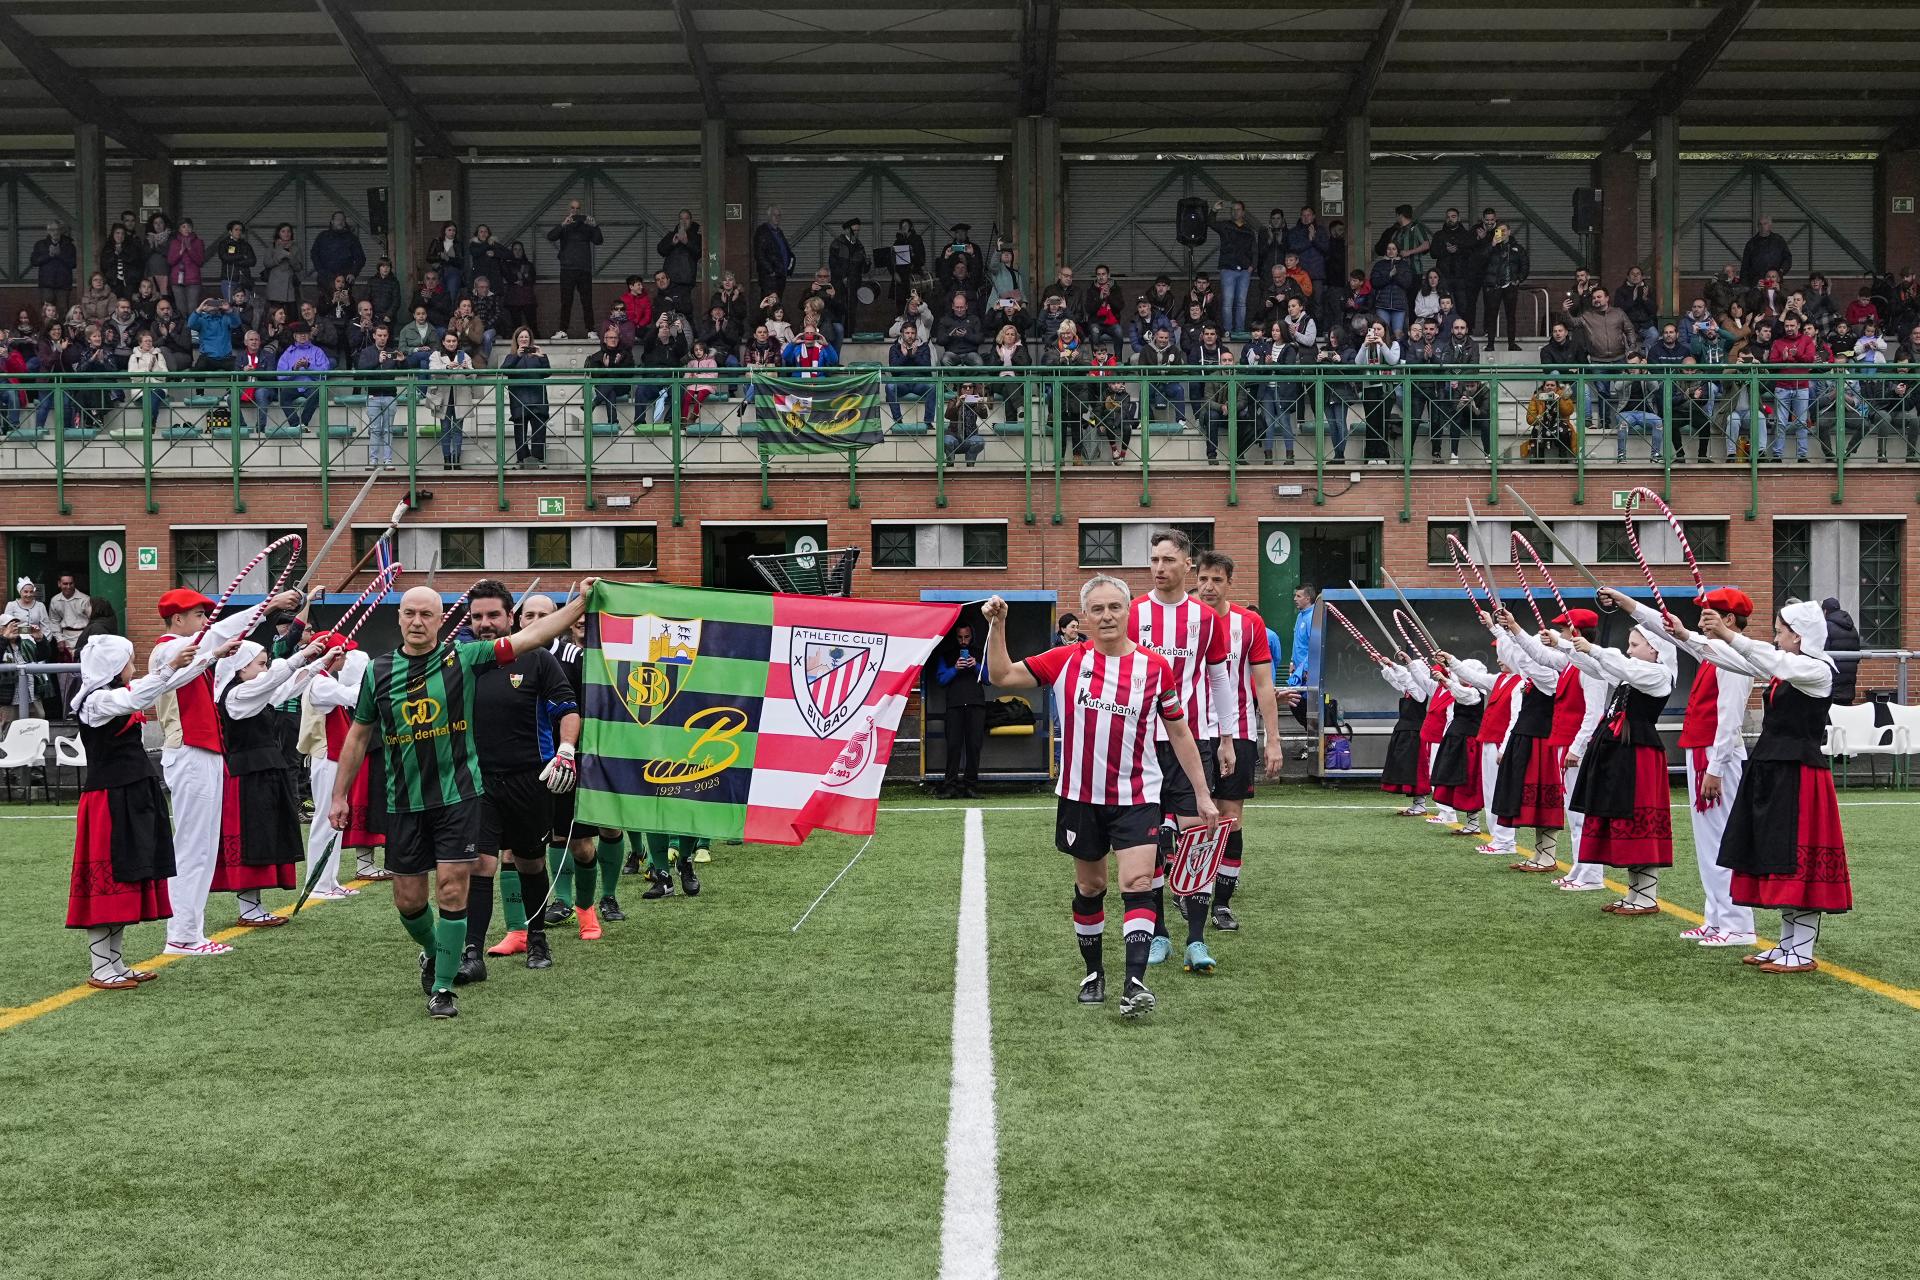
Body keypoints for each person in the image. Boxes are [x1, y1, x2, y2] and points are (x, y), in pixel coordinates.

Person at [326, 583, 596, 1019]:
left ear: (440, 621)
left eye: (426, 615)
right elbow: (358, 735)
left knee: (454, 887)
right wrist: (339, 795)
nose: (417, 621)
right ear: (399, 618)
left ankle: (444, 986)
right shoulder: (378, 671)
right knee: (409, 902)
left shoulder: (463, 659)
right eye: (409, 613)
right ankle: (436, 951)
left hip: (459, 798)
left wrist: (582, 602)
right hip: (404, 803)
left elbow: (531, 637)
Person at [982, 581, 1219, 1019]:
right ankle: (1094, 973)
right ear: (1084, 616)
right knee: (1092, 886)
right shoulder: (1064, 661)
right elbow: (1001, 676)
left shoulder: (1155, 668)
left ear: (1129, 610)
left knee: (1137, 883)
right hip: (1080, 796)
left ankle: (1135, 983)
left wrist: (1203, 794)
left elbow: (1180, 732)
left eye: (1114, 606)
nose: (1107, 615)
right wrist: (998, 626)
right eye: (1097, 609)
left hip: (1138, 796)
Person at [66, 633, 233, 990]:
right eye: (128, 661)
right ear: (112, 666)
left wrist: (209, 656)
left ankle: (116, 962)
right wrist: (171, 664)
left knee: (129, 875)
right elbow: (140, 694)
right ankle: (100, 966)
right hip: (109, 799)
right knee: (109, 879)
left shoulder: (116, 695)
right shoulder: (96, 702)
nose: (133, 667)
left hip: (132, 795)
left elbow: (161, 684)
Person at [1697, 600, 1854, 972]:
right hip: (1774, 769)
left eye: (1781, 630)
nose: (1775, 636)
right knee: (1779, 856)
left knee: (1797, 857)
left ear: (1799, 635)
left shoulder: (1816, 669)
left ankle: (1801, 950)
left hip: (1799, 773)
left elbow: (1771, 659)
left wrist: (1728, 633)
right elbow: (1735, 658)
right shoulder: (1788, 666)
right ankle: (1788, 944)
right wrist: (1681, 632)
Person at [454, 581, 582, 984]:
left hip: (531, 778)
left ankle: (537, 936)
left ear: (511, 617)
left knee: (529, 861)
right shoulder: (460, 661)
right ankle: (472, 951)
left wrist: (565, 749)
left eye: (493, 615)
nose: (485, 623)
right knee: (480, 862)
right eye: (477, 617)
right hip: (478, 781)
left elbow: (568, 709)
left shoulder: (538, 659)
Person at [1126, 529, 1240, 974]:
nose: (1159, 567)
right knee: (1148, 840)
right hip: (1140, 743)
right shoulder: (1134, 612)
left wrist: (1227, 737)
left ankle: (1196, 940)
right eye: (1153, 559)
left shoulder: (1205, 618)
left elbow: (1218, 680)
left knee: (1197, 836)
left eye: (1168, 560)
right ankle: (1158, 934)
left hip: (1192, 743)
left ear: (1187, 566)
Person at [1193, 551, 1293, 930]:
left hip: (1239, 733)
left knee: (1230, 817)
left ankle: (1221, 903)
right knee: (1187, 817)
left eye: (1217, 580)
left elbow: (1265, 685)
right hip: (1190, 733)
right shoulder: (1181, 619)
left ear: (1229, 583)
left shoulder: (1249, 623)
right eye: (1203, 578)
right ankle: (1189, 890)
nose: (1209, 587)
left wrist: (1273, 740)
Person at [1560, 615, 1678, 916]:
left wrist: (1594, 650)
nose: (1629, 650)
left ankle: (1647, 896)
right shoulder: (1634, 673)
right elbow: (1600, 667)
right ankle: (1635, 893)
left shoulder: (1658, 676)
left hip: (1638, 754)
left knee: (1638, 820)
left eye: (1635, 645)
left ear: (1655, 650)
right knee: (1621, 819)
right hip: (1622, 753)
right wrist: (1571, 647)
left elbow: (1618, 664)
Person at [936, 622, 987, 798]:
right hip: (954, 706)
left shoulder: (980, 653)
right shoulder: (947, 655)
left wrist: (976, 666)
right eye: (960, 637)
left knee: (974, 747)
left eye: (967, 637)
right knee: (953, 747)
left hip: (976, 705)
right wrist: (955, 669)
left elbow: (989, 678)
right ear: (955, 637)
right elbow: (941, 680)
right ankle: (950, 786)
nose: (964, 641)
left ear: (972, 636)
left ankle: (970, 786)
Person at [547, 199, 603, 338]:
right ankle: (563, 330)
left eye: (577, 208)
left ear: (581, 210)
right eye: (572, 208)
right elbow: (551, 236)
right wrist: (562, 225)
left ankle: (591, 330)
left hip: (584, 269)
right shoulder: (565, 226)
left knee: (587, 301)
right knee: (566, 301)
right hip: (567, 269)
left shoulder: (587, 226)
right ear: (568, 209)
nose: (575, 211)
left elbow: (598, 240)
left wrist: (595, 226)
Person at [499, 327, 552, 467]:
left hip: (538, 398)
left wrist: (542, 357)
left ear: (530, 340)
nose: (524, 340)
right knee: (520, 432)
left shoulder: (537, 356)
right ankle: (522, 459)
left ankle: (539, 459)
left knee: (539, 430)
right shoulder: (511, 356)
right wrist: (517, 355)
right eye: (521, 337)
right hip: (518, 399)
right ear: (516, 340)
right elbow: (504, 371)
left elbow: (547, 373)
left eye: (526, 337)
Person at [427, 330, 474, 469]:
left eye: (454, 341)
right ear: (443, 342)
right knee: (445, 429)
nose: (451, 344)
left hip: (460, 397)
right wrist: (446, 367)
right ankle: (447, 461)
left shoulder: (464, 355)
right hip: (443, 398)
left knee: (458, 430)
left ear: (457, 342)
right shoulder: (436, 355)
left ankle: (457, 460)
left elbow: (473, 376)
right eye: (448, 341)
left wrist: (467, 369)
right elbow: (432, 371)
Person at [828, 218, 868, 338]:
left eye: (858, 231)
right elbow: (833, 265)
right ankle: (840, 336)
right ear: (847, 230)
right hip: (840, 284)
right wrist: (842, 277)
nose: (856, 233)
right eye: (854, 230)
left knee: (852, 310)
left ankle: (850, 334)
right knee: (840, 309)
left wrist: (867, 263)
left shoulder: (859, 246)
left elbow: (863, 269)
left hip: (854, 283)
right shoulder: (837, 244)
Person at [30, 222, 78, 312]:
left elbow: (74, 263)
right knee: (47, 311)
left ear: (61, 231)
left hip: (63, 285)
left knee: (63, 310)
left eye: (57, 229)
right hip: (46, 285)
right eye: (52, 230)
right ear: (48, 231)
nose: (55, 232)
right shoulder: (40, 244)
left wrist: (60, 255)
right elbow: (34, 262)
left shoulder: (69, 245)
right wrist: (49, 255)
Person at [753, 206, 796, 303]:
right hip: (769, 277)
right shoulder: (762, 232)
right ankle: (765, 318)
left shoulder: (779, 232)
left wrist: (789, 268)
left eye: (779, 215)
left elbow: (786, 252)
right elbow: (759, 254)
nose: (777, 217)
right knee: (769, 303)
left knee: (778, 302)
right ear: (769, 216)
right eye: (774, 215)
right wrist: (770, 271)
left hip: (781, 275)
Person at [1740, 215, 1792, 285]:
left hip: (1775, 282)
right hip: (1757, 283)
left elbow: (1788, 258)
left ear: (1770, 225)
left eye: (1765, 224)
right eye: (1760, 224)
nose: (1762, 226)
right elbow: (1745, 266)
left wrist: (1780, 272)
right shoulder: (1751, 243)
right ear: (1758, 226)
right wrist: (1744, 284)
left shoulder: (1779, 240)